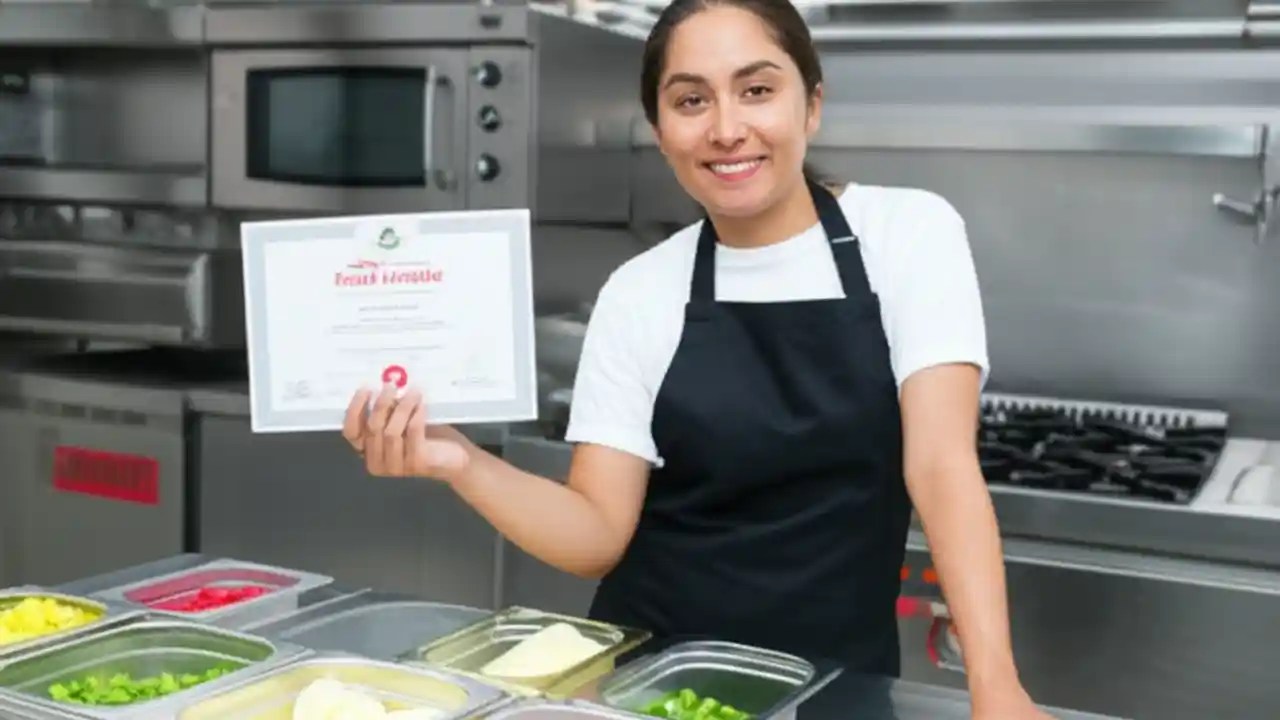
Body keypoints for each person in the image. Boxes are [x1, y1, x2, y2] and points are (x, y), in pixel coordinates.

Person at [343, 0, 1049, 716]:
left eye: (757, 90)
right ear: (660, 130)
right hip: (651, 684)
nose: (726, 128)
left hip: (836, 685)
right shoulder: (641, 290)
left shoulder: (907, 232)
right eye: (690, 100)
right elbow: (596, 535)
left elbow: (940, 466)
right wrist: (463, 462)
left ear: (811, 106)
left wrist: (995, 684)